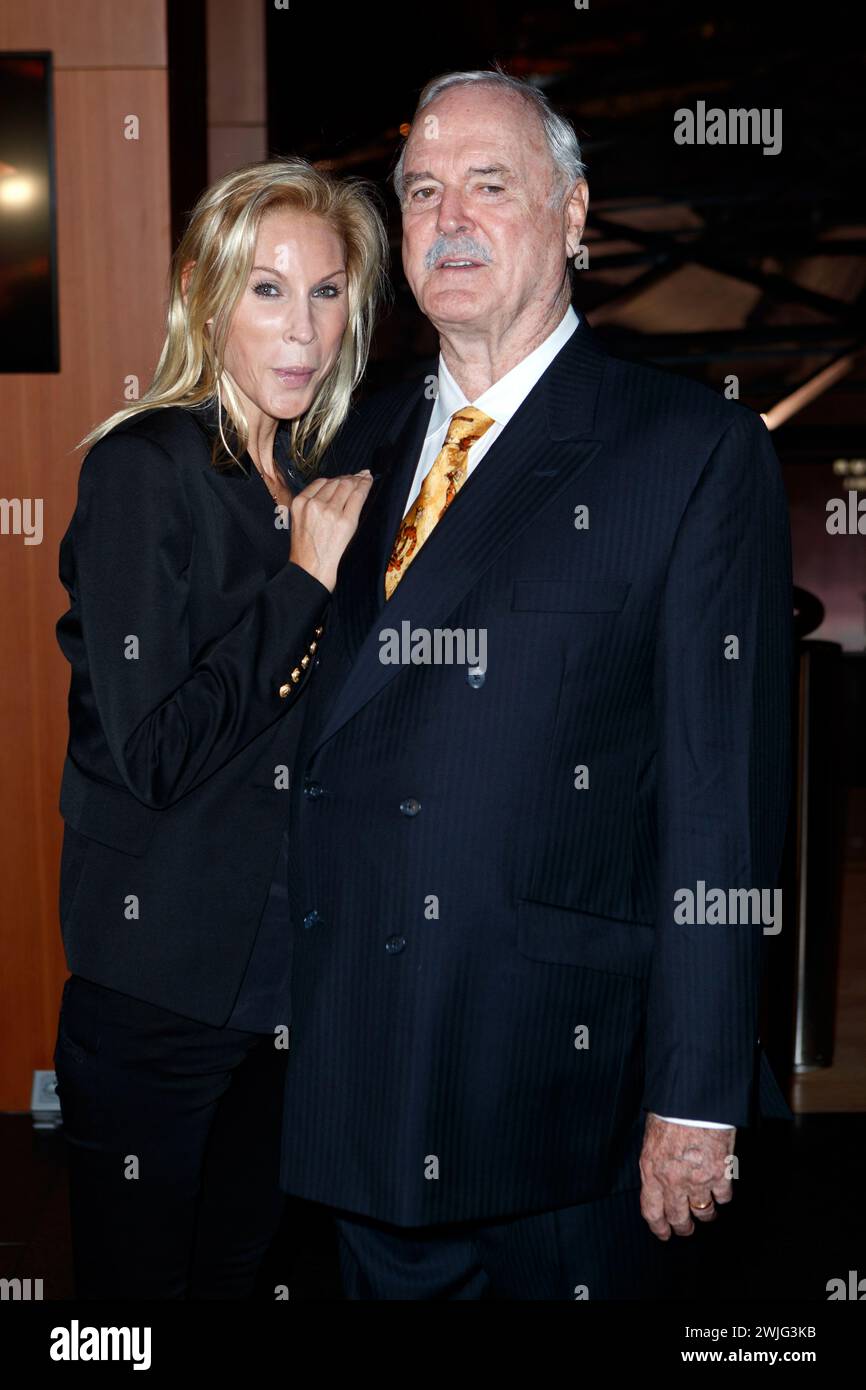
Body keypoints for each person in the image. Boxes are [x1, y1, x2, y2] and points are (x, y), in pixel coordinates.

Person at [278, 70, 794, 1299]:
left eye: (488, 185)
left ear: (571, 217)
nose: (446, 217)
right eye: (418, 190)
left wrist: (698, 1091)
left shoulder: (687, 452)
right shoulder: (343, 451)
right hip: (357, 1083)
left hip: (557, 1101)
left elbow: (719, 800)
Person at [53, 157, 385, 1298]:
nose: (303, 329)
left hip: (288, 987)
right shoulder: (144, 469)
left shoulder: (315, 476)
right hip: (160, 986)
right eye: (268, 291)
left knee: (243, 1275)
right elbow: (153, 752)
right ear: (205, 296)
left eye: (328, 292)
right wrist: (300, 581)